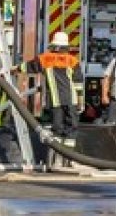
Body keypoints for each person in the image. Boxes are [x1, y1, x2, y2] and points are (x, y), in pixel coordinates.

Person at [28, 31, 79, 165]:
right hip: (71, 100)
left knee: (57, 129)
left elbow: (29, 66)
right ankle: (68, 161)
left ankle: (54, 159)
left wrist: (14, 69)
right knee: (71, 130)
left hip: (56, 101)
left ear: (54, 46)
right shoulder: (72, 60)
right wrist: (80, 100)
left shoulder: (45, 58)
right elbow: (78, 81)